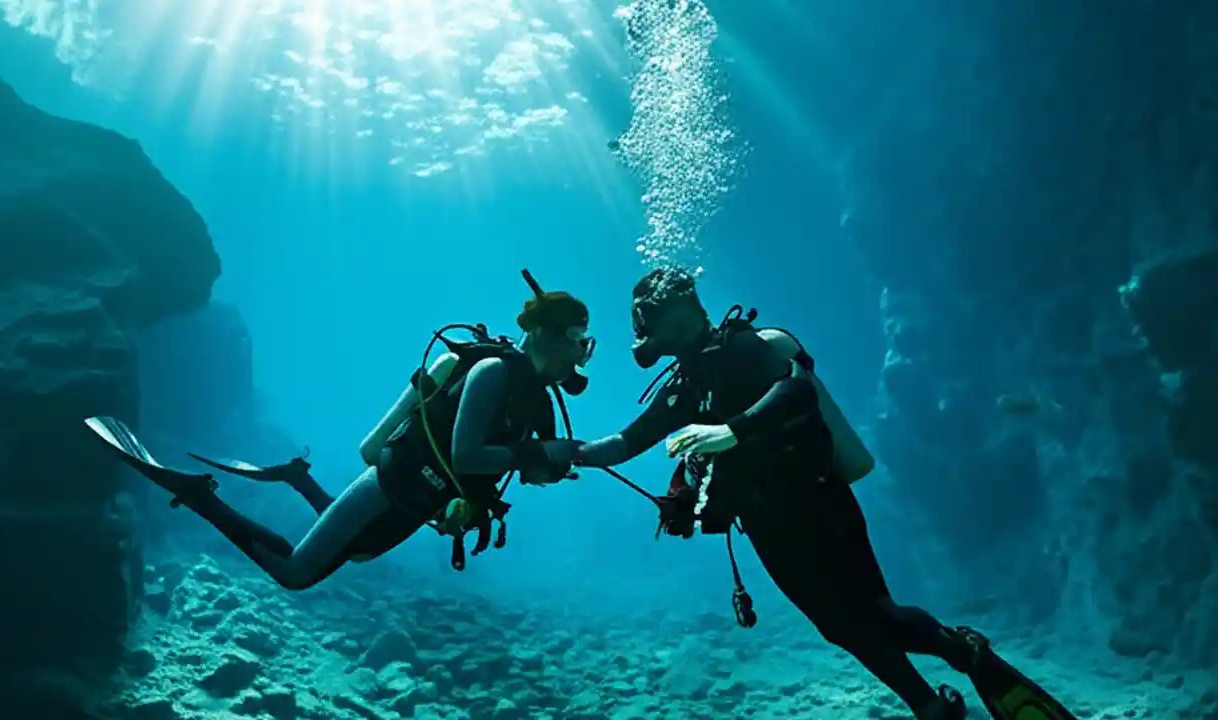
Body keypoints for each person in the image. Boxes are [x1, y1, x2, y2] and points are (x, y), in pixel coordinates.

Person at [574, 267, 1076, 720]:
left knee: (876, 612)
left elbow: (795, 389)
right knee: (839, 626)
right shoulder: (682, 388)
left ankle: (960, 652)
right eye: (664, 321)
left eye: (675, 318)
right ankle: (929, 705)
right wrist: (556, 452)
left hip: (818, 502)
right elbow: (624, 443)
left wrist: (732, 430)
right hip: (766, 524)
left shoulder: (740, 347)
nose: (671, 330)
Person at [86, 274, 593, 590]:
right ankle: (197, 494)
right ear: (550, 337)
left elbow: (524, 467)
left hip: (420, 500)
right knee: (296, 573)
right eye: (580, 342)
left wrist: (549, 464)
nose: (583, 354)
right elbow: (465, 456)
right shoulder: (493, 374)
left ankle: (297, 476)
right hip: (397, 482)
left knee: (362, 551)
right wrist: (538, 452)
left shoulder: (535, 399)